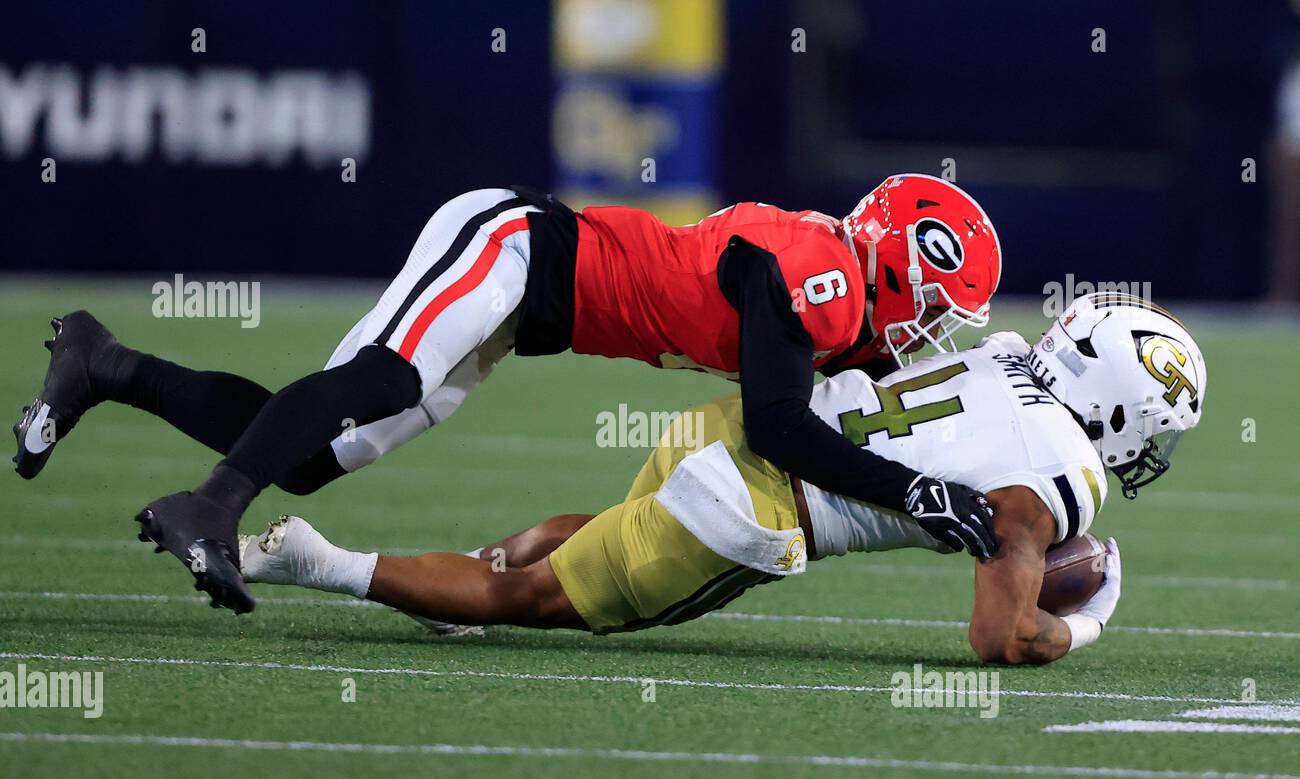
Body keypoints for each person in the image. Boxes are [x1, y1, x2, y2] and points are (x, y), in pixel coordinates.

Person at [14, 175, 1002, 613]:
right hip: (513, 247)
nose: (928, 329)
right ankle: (210, 508)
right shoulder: (818, 275)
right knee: (384, 379)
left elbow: (859, 400)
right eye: (935, 303)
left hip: (525, 314)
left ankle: (104, 365)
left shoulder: (833, 284)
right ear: (897, 261)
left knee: (316, 451)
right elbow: (782, 423)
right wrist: (912, 492)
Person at [239, 294, 1206, 665]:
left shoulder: (1000, 354)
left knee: (608, 534)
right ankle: (324, 564)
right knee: (532, 602)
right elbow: (1000, 635)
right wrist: (1083, 620)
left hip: (736, 429)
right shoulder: (1058, 478)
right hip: (752, 507)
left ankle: (452, 584)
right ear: (1121, 409)